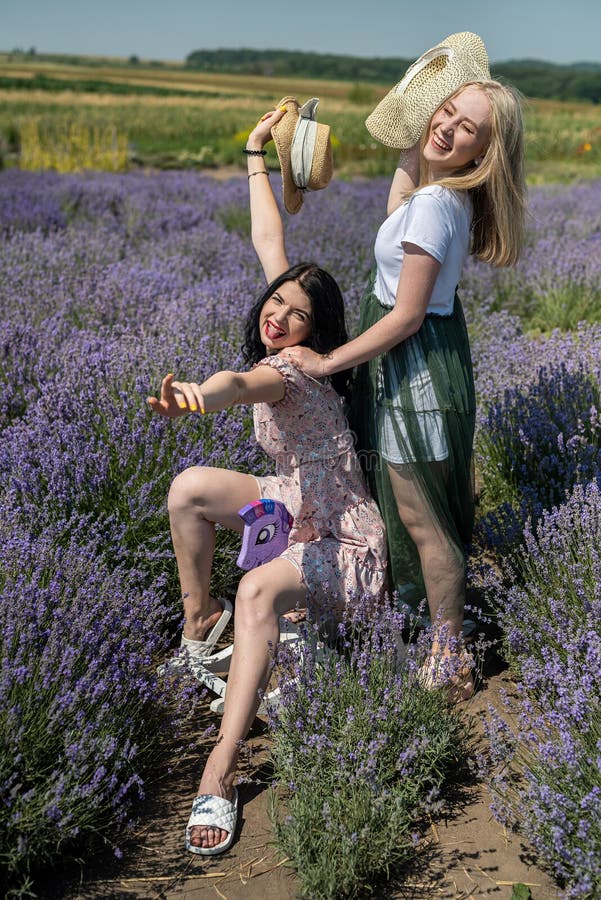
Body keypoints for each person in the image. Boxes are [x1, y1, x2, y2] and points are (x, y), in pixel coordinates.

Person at [147, 106, 386, 856]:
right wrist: (255, 153)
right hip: (291, 504)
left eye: (298, 314)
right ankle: (201, 630)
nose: (280, 316)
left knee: (258, 590)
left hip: (345, 537)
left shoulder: (288, 369)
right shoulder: (283, 328)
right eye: (276, 304)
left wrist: (198, 395)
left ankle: (220, 767)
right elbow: (267, 241)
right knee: (188, 488)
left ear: (318, 332)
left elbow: (237, 383)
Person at [283, 78, 527, 698]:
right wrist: (410, 144)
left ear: (484, 151)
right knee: (418, 514)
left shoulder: (439, 204)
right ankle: (427, 633)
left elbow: (406, 315)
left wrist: (327, 361)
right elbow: (398, 212)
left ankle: (450, 658)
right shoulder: (434, 197)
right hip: (413, 370)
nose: (447, 128)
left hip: (414, 376)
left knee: (426, 524)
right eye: (444, 113)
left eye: (465, 127)